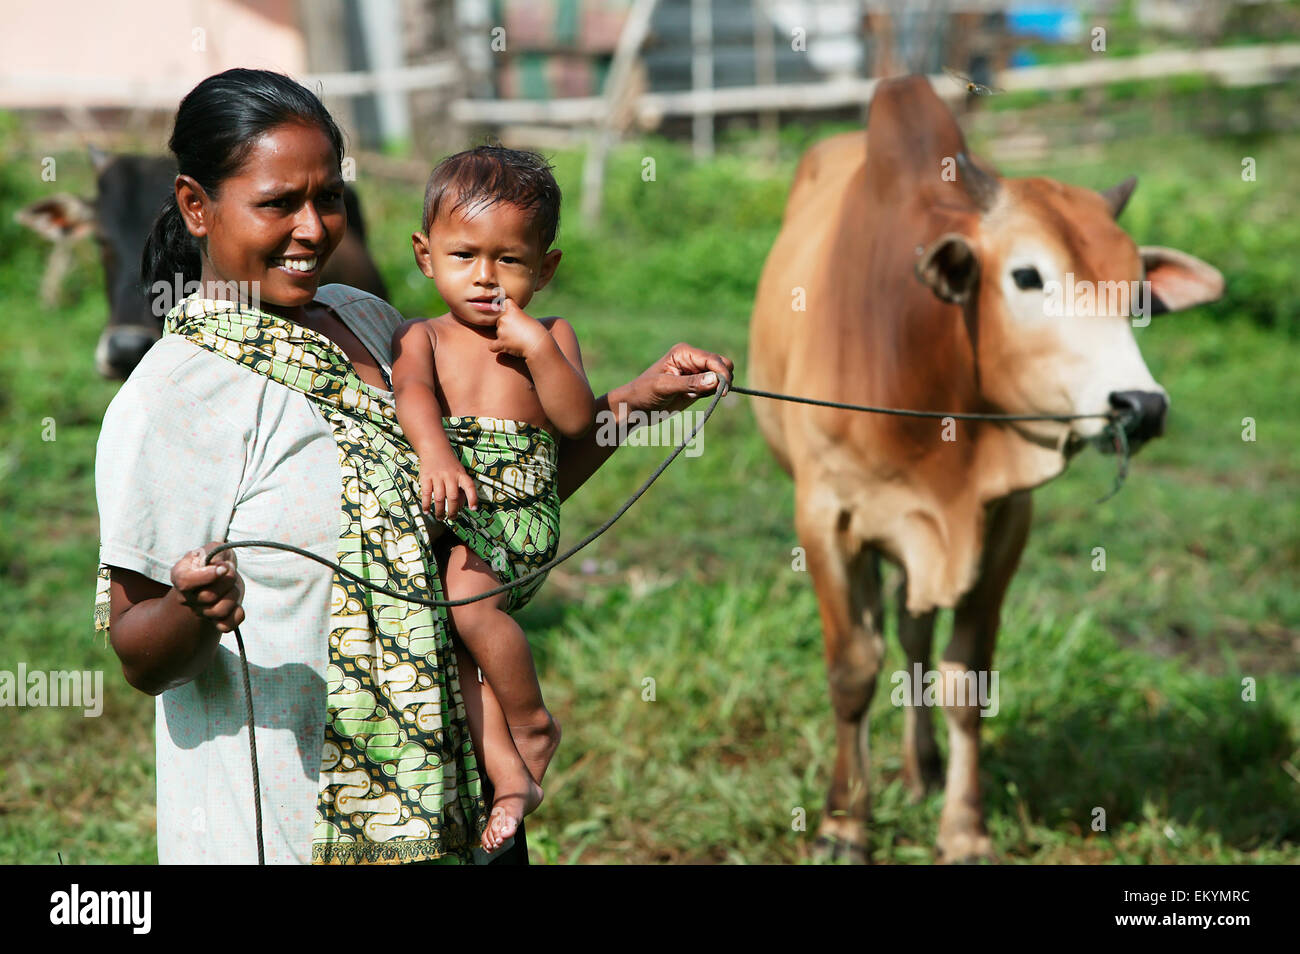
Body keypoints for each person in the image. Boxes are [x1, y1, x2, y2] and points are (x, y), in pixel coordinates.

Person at [93, 67, 733, 865]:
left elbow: (498, 495)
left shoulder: (375, 325)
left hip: (453, 792)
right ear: (197, 206)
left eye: (328, 197)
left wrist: (643, 400)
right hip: (294, 820)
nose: (313, 228)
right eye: (277, 203)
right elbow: (137, 651)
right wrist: (196, 607)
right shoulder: (175, 397)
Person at [391, 146, 591, 855]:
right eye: (464, 255)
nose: (485, 278)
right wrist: (437, 454)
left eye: (510, 261)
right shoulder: (423, 337)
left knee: (469, 602)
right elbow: (411, 395)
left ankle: (533, 720)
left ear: (545, 267)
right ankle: (510, 780)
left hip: (519, 519)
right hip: (461, 516)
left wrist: (537, 348)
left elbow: (576, 422)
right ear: (425, 254)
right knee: (457, 640)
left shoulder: (552, 336)